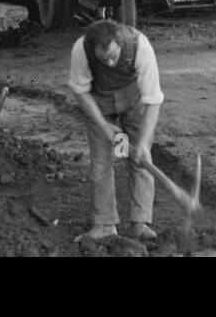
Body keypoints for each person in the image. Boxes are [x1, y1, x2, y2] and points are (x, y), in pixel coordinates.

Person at [67, 18, 164, 242]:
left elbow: (153, 99)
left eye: (113, 56)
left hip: (133, 100)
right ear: (93, 49)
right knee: (101, 162)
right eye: (104, 59)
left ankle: (140, 222)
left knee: (140, 159)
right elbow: (80, 91)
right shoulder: (81, 50)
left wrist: (143, 143)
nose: (110, 63)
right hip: (99, 103)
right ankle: (105, 224)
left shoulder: (140, 46)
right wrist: (103, 125)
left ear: (120, 43)